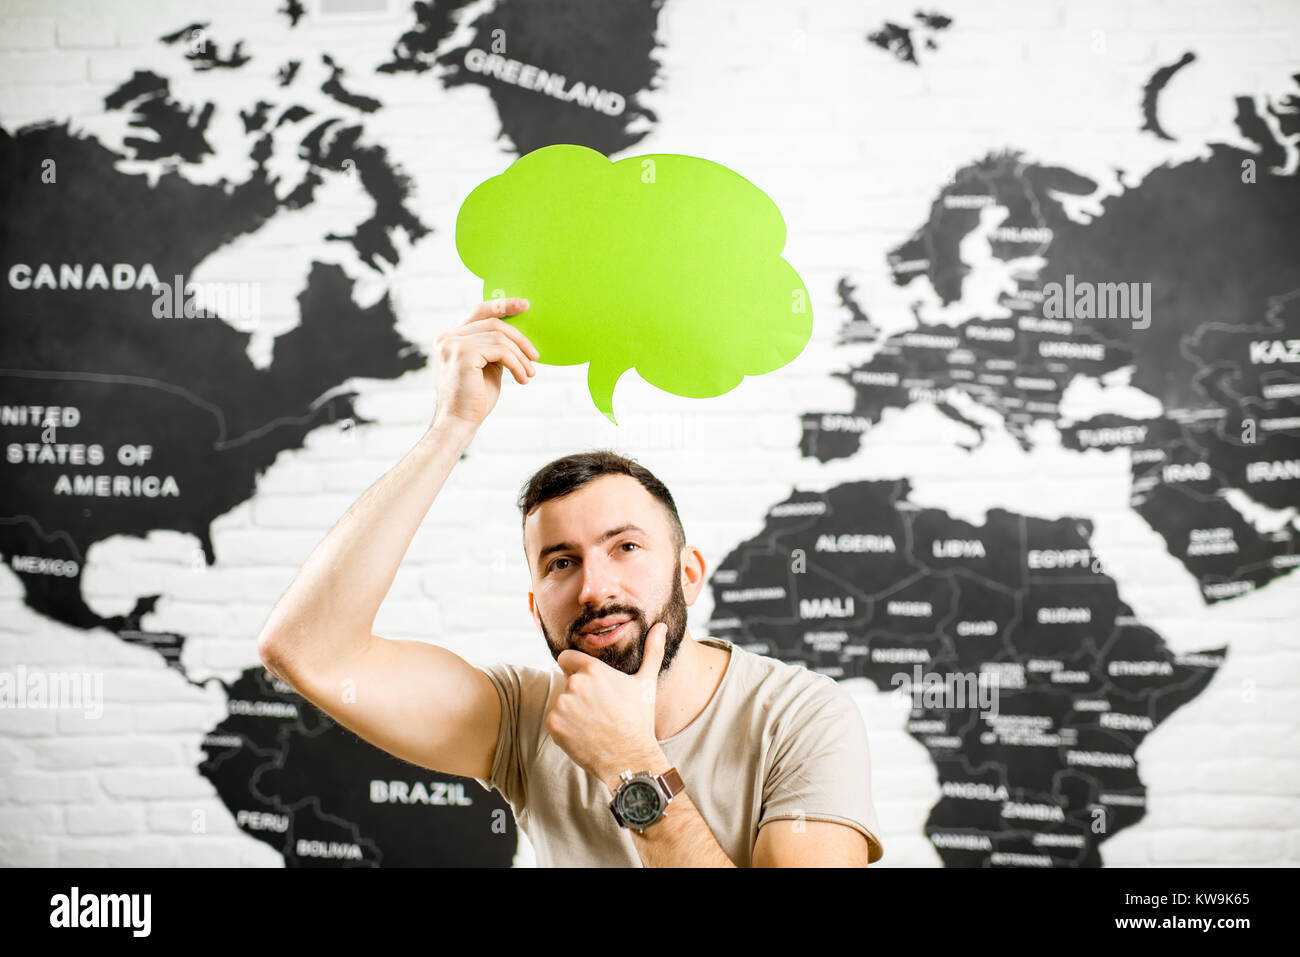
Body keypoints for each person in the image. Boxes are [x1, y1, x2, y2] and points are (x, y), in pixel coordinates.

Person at [257, 297, 884, 867]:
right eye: (562, 562)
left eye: (626, 547)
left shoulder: (800, 717)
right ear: (536, 606)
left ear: (689, 574)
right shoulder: (521, 719)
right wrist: (451, 427)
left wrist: (627, 762)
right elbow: (307, 649)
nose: (593, 587)